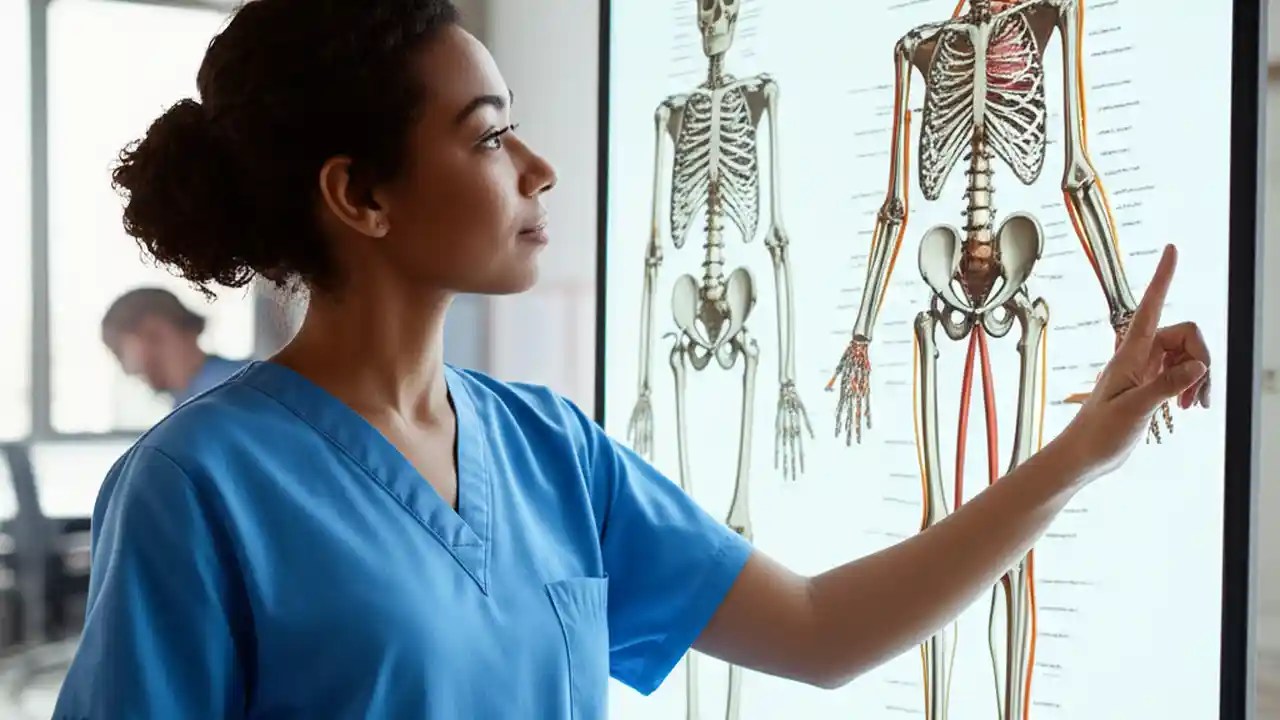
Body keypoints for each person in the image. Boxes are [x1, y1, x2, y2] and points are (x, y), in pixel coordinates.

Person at [51, 1, 1212, 718]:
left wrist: (1076, 455)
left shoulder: (545, 446)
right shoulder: (201, 486)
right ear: (359, 196)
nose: (538, 168)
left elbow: (817, 632)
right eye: (491, 136)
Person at [101, 287, 249, 407]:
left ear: (154, 330)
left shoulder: (223, 395)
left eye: (119, 351)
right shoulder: (191, 399)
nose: (127, 370)